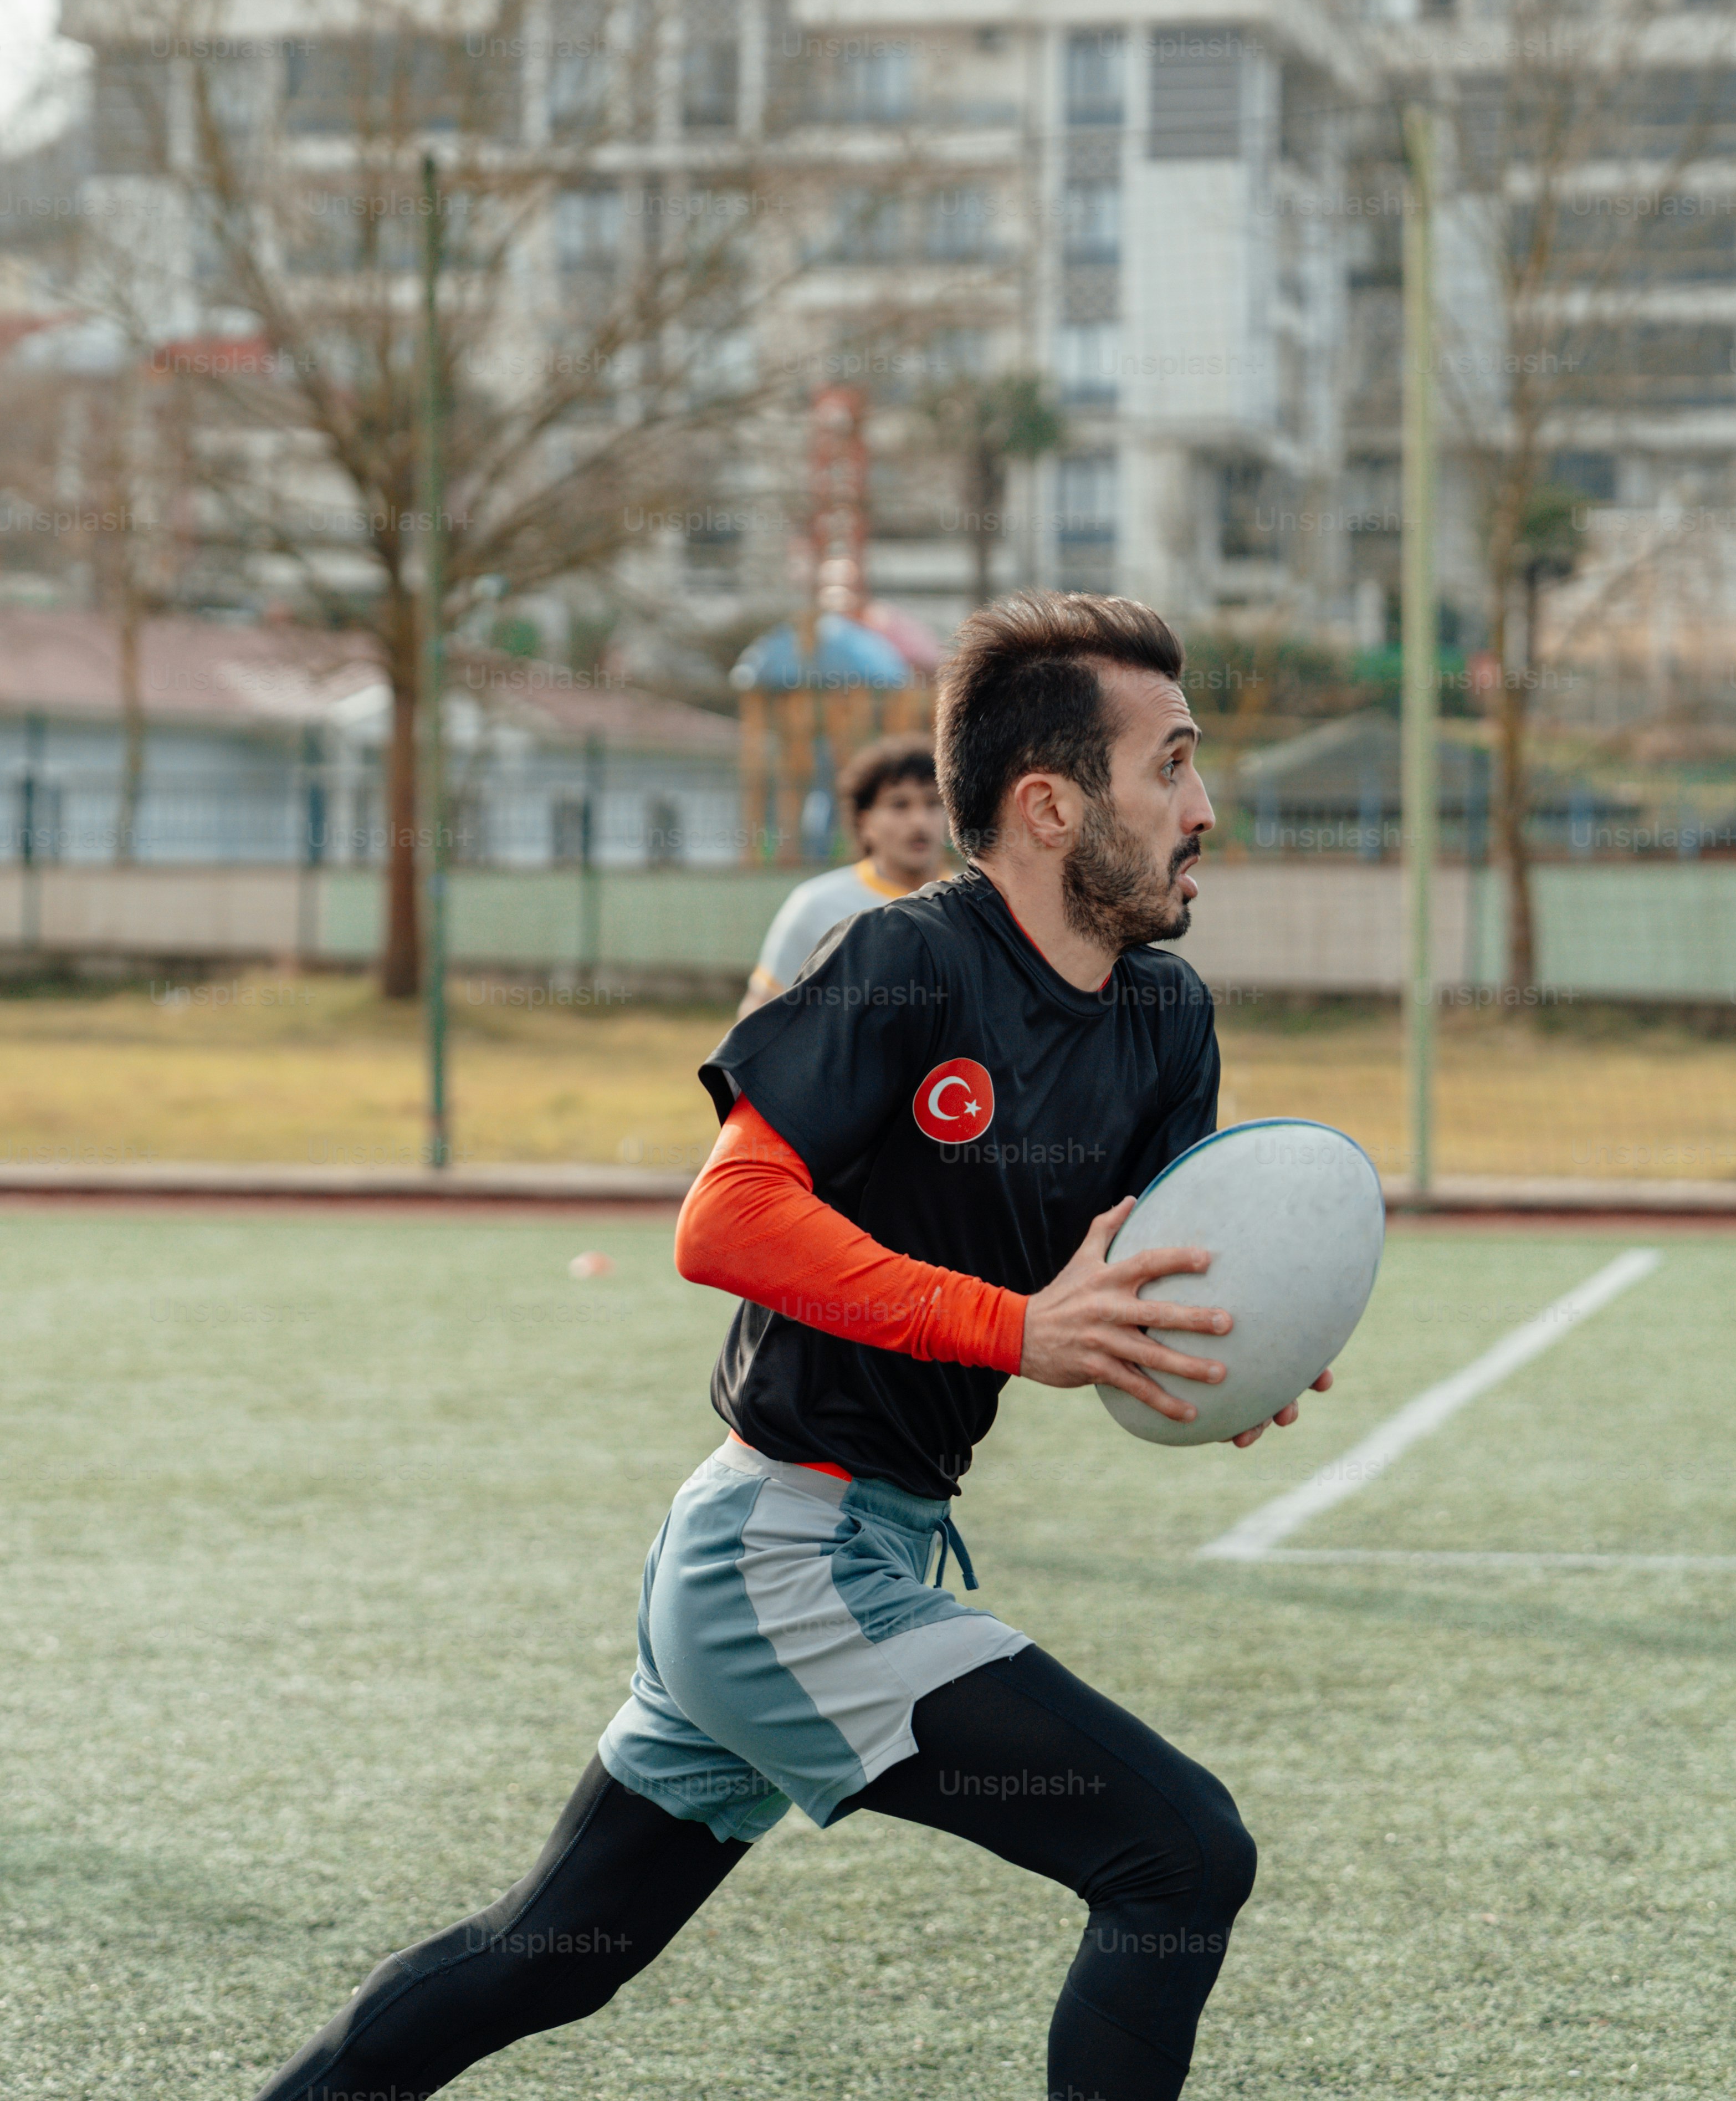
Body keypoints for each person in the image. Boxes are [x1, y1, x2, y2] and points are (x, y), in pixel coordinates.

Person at [252, 594, 1319, 2101]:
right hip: (781, 1550)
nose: (1205, 808)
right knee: (1179, 1852)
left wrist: (1228, 1362)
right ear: (1049, 802)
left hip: (850, 1544)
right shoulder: (905, 961)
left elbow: (1142, 1279)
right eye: (1174, 766)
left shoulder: (1165, 1016)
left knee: (558, 1946)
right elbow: (728, 1218)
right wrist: (1014, 1326)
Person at [738, 732, 949, 1016]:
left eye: (933, 803)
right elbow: (759, 1016)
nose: (919, 821)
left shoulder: (981, 903)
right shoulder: (817, 905)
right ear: (864, 821)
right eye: (899, 805)